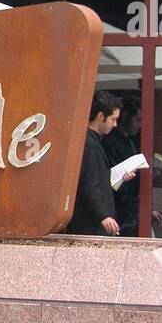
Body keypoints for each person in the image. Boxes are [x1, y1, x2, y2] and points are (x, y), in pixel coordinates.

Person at [68, 91, 134, 236]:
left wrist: (120, 178)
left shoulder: (92, 141)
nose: (115, 125)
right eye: (113, 119)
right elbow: (88, 184)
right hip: (89, 224)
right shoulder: (89, 143)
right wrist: (102, 215)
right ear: (100, 116)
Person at [101, 94, 143, 236]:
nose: (139, 125)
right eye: (137, 120)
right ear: (125, 116)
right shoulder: (111, 142)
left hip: (129, 208)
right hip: (119, 209)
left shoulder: (130, 141)